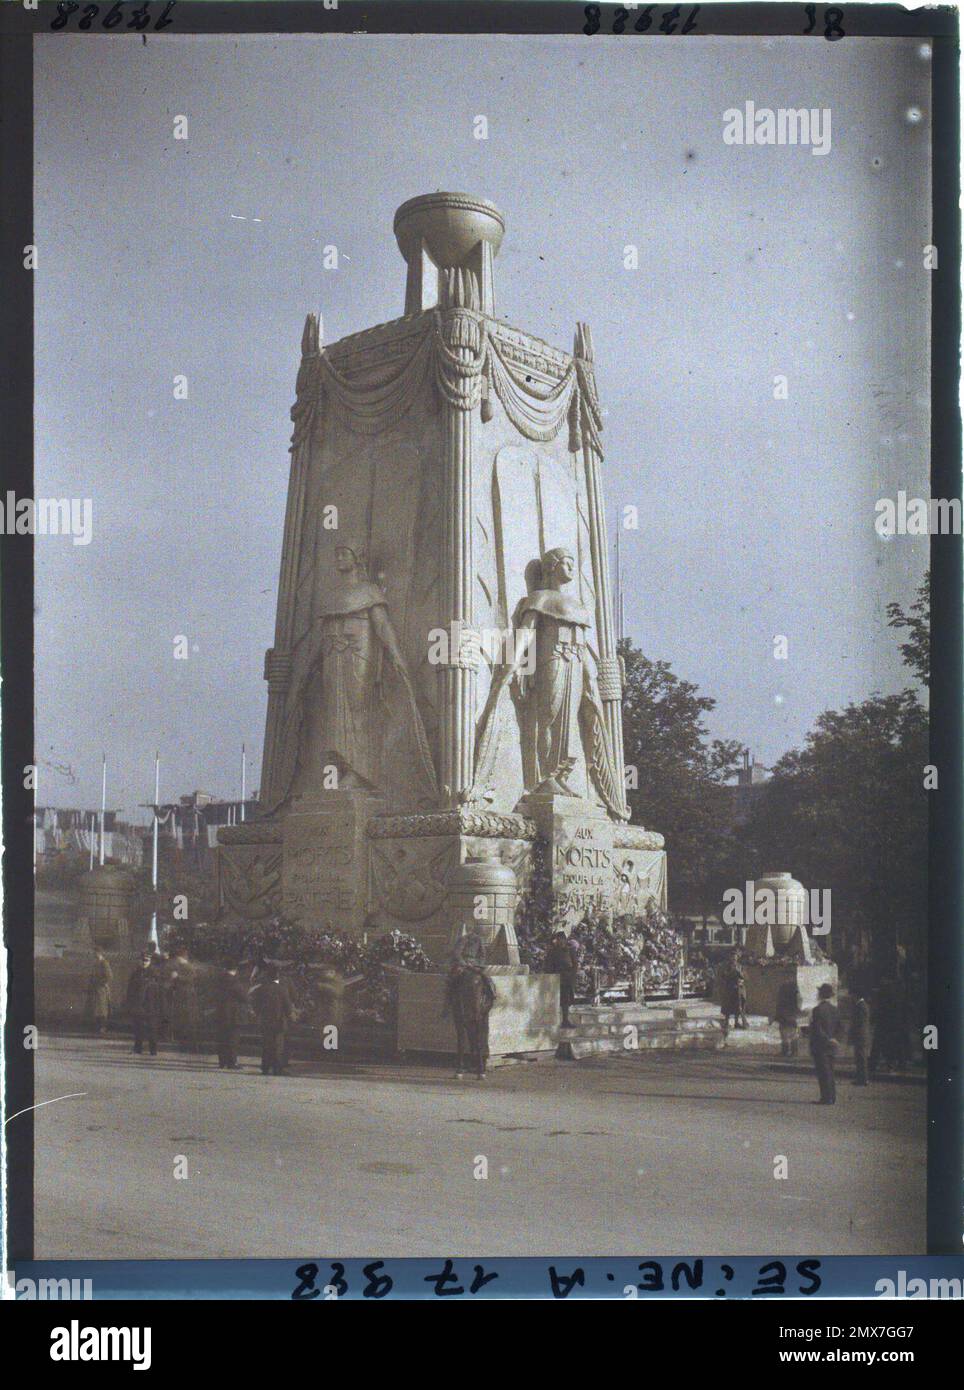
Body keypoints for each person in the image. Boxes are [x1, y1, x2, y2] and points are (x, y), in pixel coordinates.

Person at [254, 968, 294, 1075]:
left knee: (266, 1044)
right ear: (277, 976)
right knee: (278, 1045)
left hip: (265, 1020)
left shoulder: (261, 988)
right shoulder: (282, 989)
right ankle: (277, 1068)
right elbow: (287, 1006)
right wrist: (290, 1016)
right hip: (279, 1020)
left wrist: (259, 1014)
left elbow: (255, 1004)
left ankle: (265, 1067)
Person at [809, 981, 842, 1104]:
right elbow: (840, 1027)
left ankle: (826, 1097)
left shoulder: (817, 1010)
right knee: (831, 1072)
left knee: (823, 1073)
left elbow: (817, 1028)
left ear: (821, 995)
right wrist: (835, 1039)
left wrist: (826, 1039)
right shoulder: (835, 1010)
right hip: (833, 1046)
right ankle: (832, 1097)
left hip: (821, 1045)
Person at [126, 951, 163, 1056]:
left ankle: (153, 1050)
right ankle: (138, 1049)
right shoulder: (136, 974)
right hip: (138, 1005)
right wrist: (129, 1003)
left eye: (146, 960)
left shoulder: (155, 974)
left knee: (152, 1029)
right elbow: (130, 990)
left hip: (151, 1005)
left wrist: (159, 1006)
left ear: (150, 961)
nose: (143, 962)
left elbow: (160, 991)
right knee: (138, 1028)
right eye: (142, 960)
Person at [214, 963, 249, 1070]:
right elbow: (244, 997)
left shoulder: (219, 980)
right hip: (234, 1014)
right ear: (236, 970)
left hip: (221, 1012)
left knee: (222, 1038)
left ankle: (222, 1061)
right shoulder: (235, 981)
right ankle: (232, 1062)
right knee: (233, 1039)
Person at [544, 929, 581, 1028]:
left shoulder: (570, 951)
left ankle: (565, 1020)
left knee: (567, 1001)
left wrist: (572, 975)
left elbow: (575, 965)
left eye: (562, 939)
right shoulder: (552, 952)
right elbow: (548, 966)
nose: (560, 941)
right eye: (558, 940)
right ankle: (554, 1021)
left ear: (565, 940)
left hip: (567, 979)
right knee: (556, 1001)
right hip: (556, 979)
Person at [86, 951, 113, 1036]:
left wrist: (100, 982)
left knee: (102, 1009)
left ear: (100, 954)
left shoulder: (104, 963)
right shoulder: (96, 963)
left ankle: (103, 1027)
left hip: (102, 989)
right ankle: (98, 1027)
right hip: (95, 989)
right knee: (96, 1009)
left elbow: (109, 976)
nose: (95, 956)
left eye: (96, 954)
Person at [775, 977, 801, 1058]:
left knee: (784, 1034)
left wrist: (777, 1016)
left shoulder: (783, 993)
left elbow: (779, 1005)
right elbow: (799, 1004)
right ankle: (794, 1051)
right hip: (792, 1016)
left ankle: (785, 1051)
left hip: (784, 1016)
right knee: (793, 1034)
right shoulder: (796, 992)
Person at [849, 989, 871, 1086]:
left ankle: (863, 1079)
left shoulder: (861, 1006)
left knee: (861, 1058)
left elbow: (860, 1023)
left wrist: (854, 1035)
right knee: (859, 1058)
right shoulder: (861, 1005)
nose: (851, 998)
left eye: (852, 995)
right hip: (861, 1035)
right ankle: (860, 1078)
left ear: (856, 995)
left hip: (860, 1036)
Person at [722, 954, 748, 1031]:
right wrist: (730, 972)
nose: (734, 959)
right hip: (729, 988)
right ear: (730, 958)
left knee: (739, 1005)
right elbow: (724, 976)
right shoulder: (727, 966)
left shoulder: (740, 966)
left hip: (739, 989)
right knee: (728, 1005)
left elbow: (745, 977)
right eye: (732, 958)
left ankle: (736, 1022)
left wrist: (739, 972)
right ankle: (726, 1022)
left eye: (735, 958)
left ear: (737, 958)